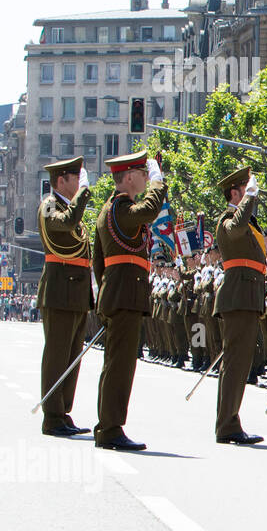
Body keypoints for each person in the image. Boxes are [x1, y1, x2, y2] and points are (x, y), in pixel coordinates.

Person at [92, 151, 167, 452]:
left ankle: (108, 425)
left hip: (117, 293)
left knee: (115, 364)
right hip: (124, 295)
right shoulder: (122, 206)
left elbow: (98, 262)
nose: (146, 177)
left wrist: (108, 288)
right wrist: (159, 183)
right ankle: (110, 428)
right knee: (120, 366)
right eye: (143, 172)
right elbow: (149, 211)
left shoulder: (107, 209)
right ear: (129, 177)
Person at [36, 156, 94, 438]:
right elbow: (68, 222)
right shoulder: (49, 205)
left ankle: (63, 410)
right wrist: (83, 195)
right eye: (76, 179)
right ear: (62, 180)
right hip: (59, 291)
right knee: (57, 354)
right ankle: (52, 415)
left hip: (76, 292)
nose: (80, 184)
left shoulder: (69, 208)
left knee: (72, 356)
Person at [212, 166, 266, 446]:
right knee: (235, 363)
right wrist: (249, 199)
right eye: (246, 188)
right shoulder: (228, 219)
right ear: (235, 192)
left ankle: (230, 421)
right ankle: (227, 424)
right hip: (238, 296)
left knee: (239, 363)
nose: (251, 192)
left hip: (247, 296)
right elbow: (235, 231)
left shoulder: (245, 220)